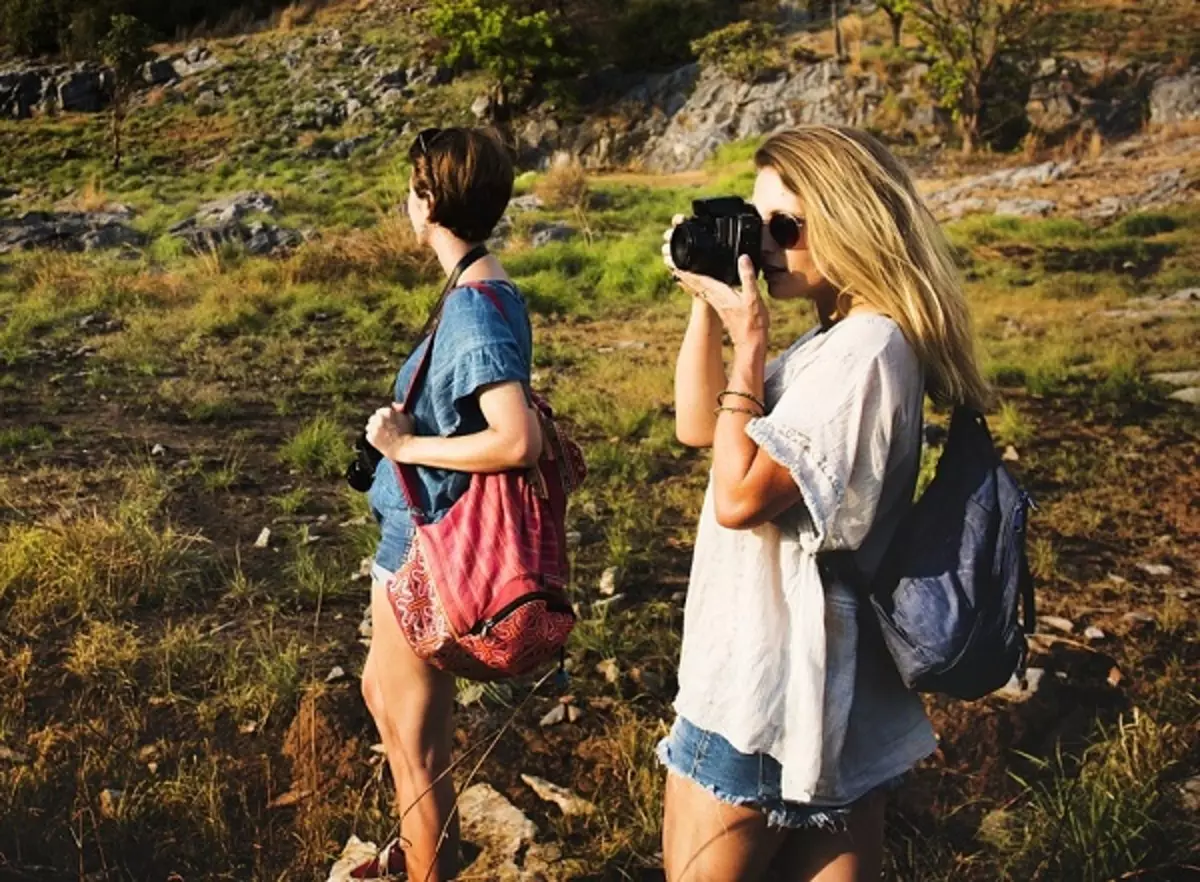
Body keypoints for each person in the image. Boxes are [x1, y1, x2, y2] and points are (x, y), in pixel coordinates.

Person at [658, 124, 991, 882]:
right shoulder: (835, 342)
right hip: (820, 692)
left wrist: (749, 345)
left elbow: (740, 497)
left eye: (788, 227)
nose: (766, 243)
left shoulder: (868, 350)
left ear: (850, 221)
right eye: (758, 219)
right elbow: (698, 425)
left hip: (762, 690)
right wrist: (709, 302)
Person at [357, 126, 542, 882]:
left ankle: (428, 867)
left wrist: (406, 449)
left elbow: (516, 439)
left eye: (413, 186)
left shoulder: (473, 307)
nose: (408, 199)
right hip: (416, 535)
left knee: (413, 740)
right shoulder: (486, 288)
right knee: (388, 702)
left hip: (427, 546)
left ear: (428, 200)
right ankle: (419, 853)